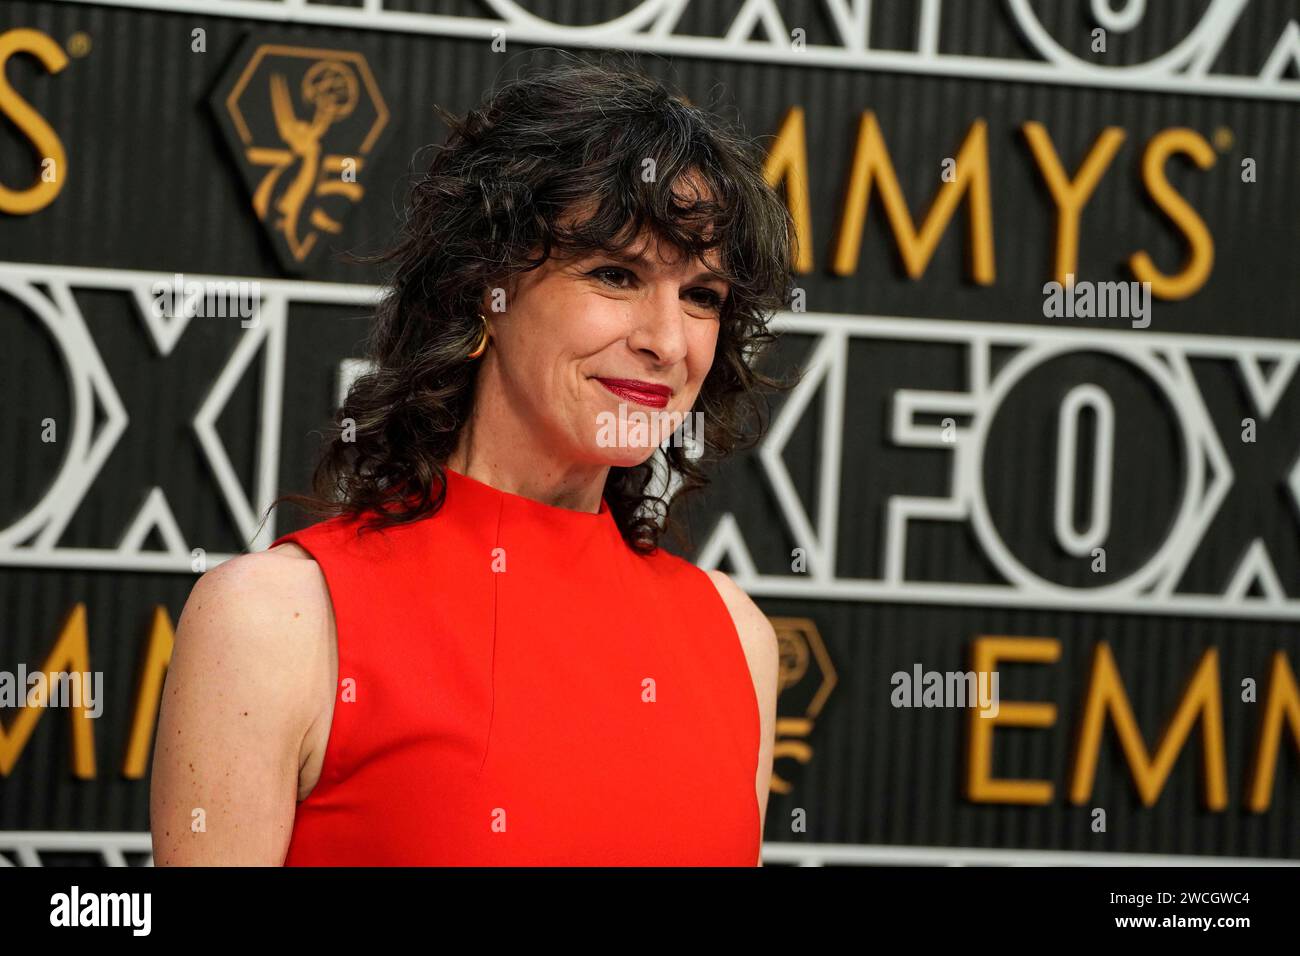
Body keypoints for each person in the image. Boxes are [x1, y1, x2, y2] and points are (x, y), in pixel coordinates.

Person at [150, 54, 795, 866]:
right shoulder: (276, 622)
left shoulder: (735, 638)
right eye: (614, 274)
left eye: (701, 295)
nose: (666, 342)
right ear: (480, 290)